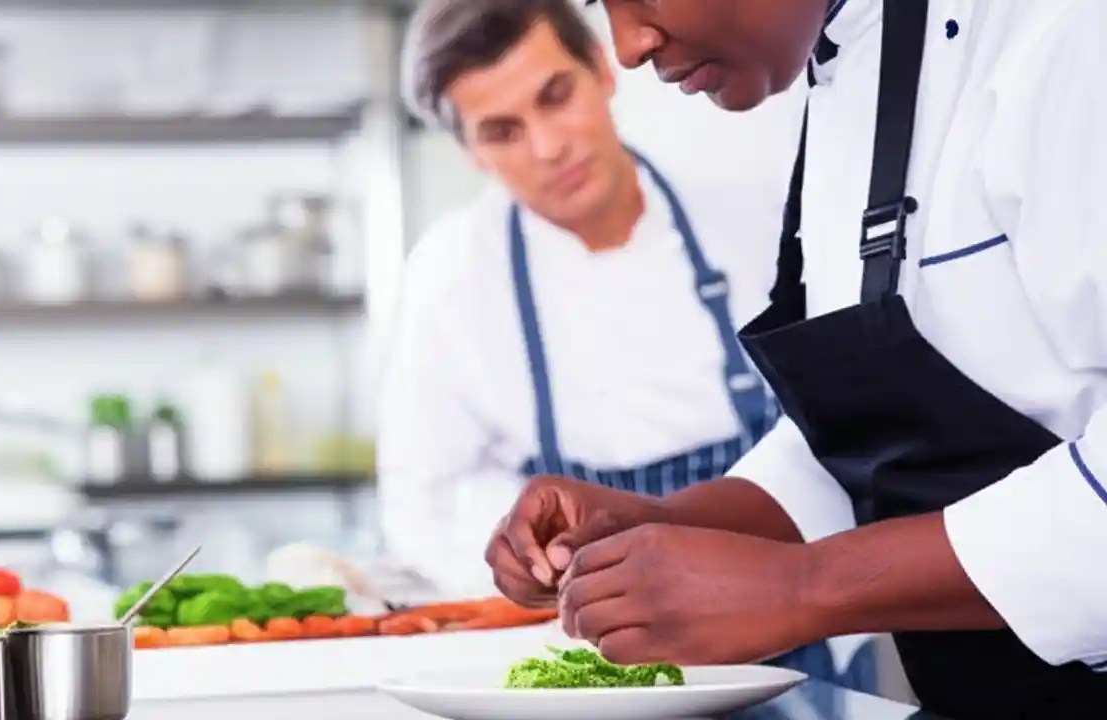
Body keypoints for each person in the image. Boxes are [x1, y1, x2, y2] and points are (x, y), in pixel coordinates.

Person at [485, 0, 1107, 717]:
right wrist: (660, 524)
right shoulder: (845, 71)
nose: (628, 45)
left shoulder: (1065, 30)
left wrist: (804, 586)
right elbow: (884, 443)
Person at [378, 0, 871, 688]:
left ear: (603, 72)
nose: (549, 146)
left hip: (799, 638)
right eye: (503, 131)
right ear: (470, 153)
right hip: (595, 657)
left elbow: (848, 431)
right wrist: (544, 571)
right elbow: (422, 504)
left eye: (556, 97)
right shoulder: (453, 276)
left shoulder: (755, 205)